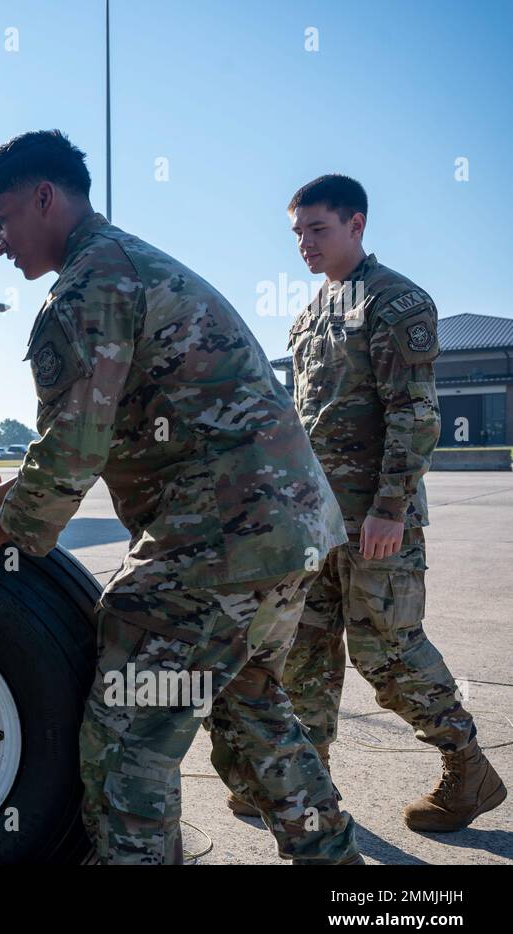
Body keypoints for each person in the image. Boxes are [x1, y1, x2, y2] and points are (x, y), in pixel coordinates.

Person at [0, 130, 360, 864]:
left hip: (221, 536)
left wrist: (8, 527)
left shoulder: (90, 287)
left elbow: (78, 441)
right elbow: (112, 425)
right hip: (287, 531)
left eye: (1, 219)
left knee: (126, 736)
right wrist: (12, 491)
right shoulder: (128, 265)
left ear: (45, 197)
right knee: (252, 718)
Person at [231, 174, 504, 831]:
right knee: (305, 655)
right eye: (297, 232)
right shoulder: (308, 315)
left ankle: (467, 772)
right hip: (316, 522)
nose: (304, 243)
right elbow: (303, 422)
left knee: (387, 652)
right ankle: (308, 788)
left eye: (317, 229)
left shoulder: (396, 301)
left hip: (378, 521)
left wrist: (391, 506)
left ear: (357, 224)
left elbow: (416, 414)